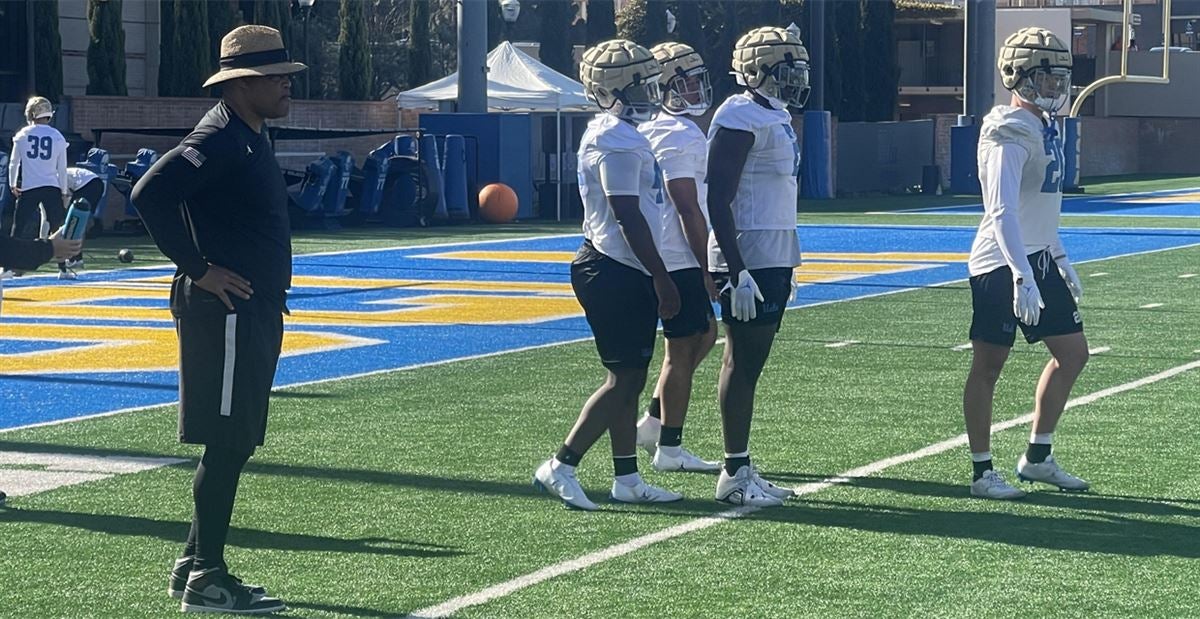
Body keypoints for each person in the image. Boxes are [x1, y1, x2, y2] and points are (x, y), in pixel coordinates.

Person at [131, 25, 304, 614]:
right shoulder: (221, 138)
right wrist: (198, 268)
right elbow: (149, 193)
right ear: (241, 84)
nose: (286, 85)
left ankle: (194, 562)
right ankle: (208, 575)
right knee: (227, 443)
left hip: (252, 307)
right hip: (225, 309)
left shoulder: (253, 134)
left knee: (236, 442)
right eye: (274, 77)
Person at [533, 39, 684, 510]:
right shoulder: (613, 137)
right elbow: (627, 214)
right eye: (640, 83)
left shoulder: (622, 132)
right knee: (623, 380)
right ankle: (562, 463)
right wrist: (661, 275)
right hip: (615, 266)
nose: (649, 92)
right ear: (613, 89)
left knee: (630, 377)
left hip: (622, 265)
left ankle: (627, 479)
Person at [963, 27, 1090, 500]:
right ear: (1021, 77)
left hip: (1036, 255)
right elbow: (1001, 211)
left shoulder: (1041, 126)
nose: (1057, 86)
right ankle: (982, 472)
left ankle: (1037, 458)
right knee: (989, 365)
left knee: (1073, 354)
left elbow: (1039, 205)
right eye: (1047, 76)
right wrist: (1020, 275)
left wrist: (1059, 255)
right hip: (1001, 261)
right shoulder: (1008, 130)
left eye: (1060, 77)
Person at [706, 27, 810, 508]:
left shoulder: (775, 114)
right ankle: (733, 471)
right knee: (741, 362)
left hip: (772, 251)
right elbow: (717, 195)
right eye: (785, 71)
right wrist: (736, 267)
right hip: (747, 253)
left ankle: (742, 464)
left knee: (752, 363)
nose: (794, 81)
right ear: (755, 71)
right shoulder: (739, 114)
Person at [634, 42, 720, 473]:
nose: (694, 90)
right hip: (676, 253)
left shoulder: (658, 127)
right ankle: (670, 446)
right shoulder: (677, 133)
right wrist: (706, 265)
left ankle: (653, 420)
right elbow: (685, 203)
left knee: (704, 334)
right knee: (684, 347)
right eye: (684, 82)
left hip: (667, 250)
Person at [8, 96, 71, 279]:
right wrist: (64, 190)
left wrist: (13, 183)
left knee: (18, 228)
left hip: (29, 187)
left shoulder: (23, 134)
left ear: (32, 113)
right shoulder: (57, 136)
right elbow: (62, 168)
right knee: (57, 228)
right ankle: (63, 269)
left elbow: (14, 163)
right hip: (51, 187)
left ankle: (10, 266)